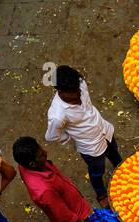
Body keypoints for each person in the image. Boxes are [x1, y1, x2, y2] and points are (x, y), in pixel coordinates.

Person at [12, 137, 110, 222]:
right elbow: (63, 215)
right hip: (73, 218)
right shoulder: (44, 190)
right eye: (41, 155)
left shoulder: (25, 166)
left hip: (68, 202)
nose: (45, 152)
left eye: (41, 149)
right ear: (33, 164)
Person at [44, 67, 120, 206]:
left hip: (104, 129)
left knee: (114, 153)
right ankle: (101, 193)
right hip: (91, 147)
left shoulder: (80, 84)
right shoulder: (57, 115)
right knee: (97, 171)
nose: (79, 93)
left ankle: (122, 169)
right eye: (73, 92)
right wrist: (71, 137)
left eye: (79, 88)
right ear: (60, 91)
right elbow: (52, 136)